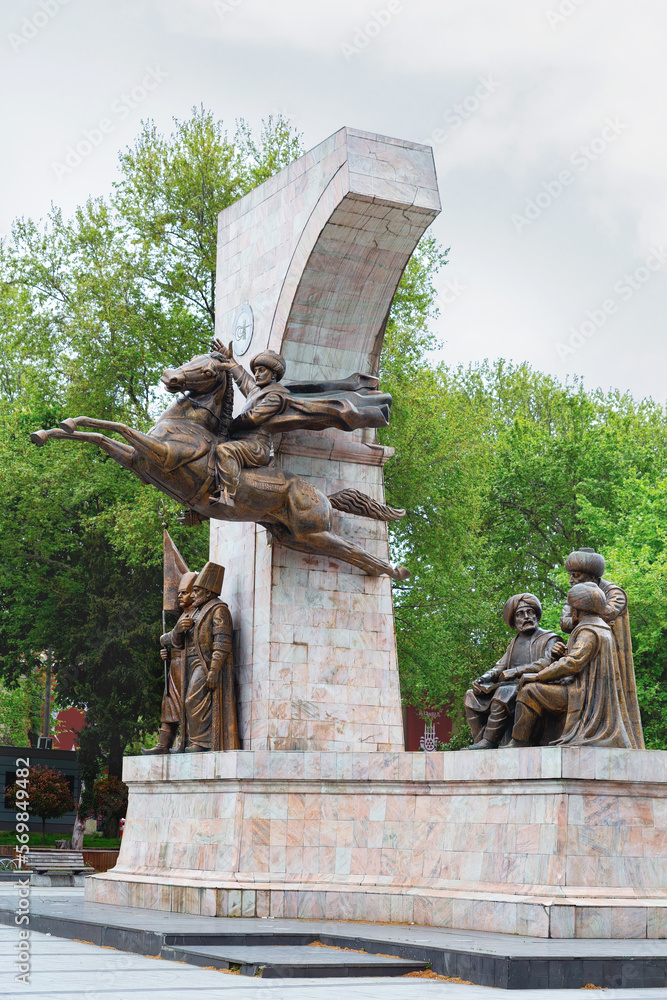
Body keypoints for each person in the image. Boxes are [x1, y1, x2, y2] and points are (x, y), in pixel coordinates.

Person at [508, 582, 641, 748]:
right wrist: (561, 653)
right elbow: (574, 659)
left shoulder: (589, 631)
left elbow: (571, 664)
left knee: (530, 691)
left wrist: (537, 676)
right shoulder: (600, 628)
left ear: (578, 610)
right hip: (585, 691)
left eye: (571, 608)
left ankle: (519, 743)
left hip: (584, 695)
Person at [560, 547, 644, 748]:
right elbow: (564, 622)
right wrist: (589, 614)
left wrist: (586, 612)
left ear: (590, 576)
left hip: (609, 655)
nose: (571, 580)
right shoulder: (574, 595)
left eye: (576, 575)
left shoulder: (614, 592)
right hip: (585, 649)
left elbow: (609, 611)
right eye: (570, 575)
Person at [464, 593, 565, 749]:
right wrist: (483, 679)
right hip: (511, 686)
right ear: (513, 621)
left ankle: (489, 741)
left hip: (535, 686)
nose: (526, 617)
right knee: (471, 696)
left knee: (503, 693)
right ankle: (480, 742)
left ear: (536, 615)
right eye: (520, 614)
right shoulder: (514, 642)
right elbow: (500, 667)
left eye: (530, 612)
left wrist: (515, 671)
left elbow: (546, 663)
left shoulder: (550, 638)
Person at [208, 339, 290, 507]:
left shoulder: (277, 395)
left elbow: (254, 417)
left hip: (257, 447)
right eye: (256, 370)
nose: (257, 374)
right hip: (243, 442)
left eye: (261, 370)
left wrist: (230, 424)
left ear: (273, 374)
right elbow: (242, 378)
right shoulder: (256, 391)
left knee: (225, 450)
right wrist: (229, 360)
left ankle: (227, 495)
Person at [142, 570, 197, 755]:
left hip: (187, 670)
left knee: (184, 707)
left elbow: (189, 643)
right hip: (175, 669)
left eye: (184, 593)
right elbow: (168, 639)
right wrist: (169, 651)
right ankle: (163, 744)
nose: (179, 596)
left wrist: (173, 637)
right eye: (179, 593)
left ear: (195, 593)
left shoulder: (195, 615)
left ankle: (184, 743)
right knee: (168, 705)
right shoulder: (184, 615)